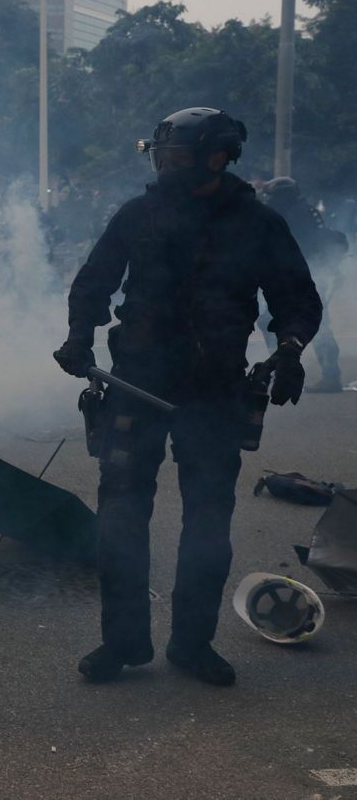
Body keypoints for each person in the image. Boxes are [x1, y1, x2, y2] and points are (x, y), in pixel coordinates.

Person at [53, 108, 322, 686]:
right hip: (137, 384)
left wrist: (291, 349)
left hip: (215, 391)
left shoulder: (258, 224)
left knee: (208, 523)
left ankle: (192, 644)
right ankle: (122, 644)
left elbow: (298, 298)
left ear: (217, 157)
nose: (165, 166)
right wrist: (78, 338)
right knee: (121, 518)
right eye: (162, 156)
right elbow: (94, 282)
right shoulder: (138, 214)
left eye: (176, 157)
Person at [258, 177, 348, 392]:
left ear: (282, 195)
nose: (268, 199)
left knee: (316, 325)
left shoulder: (294, 215)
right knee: (308, 323)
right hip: (303, 275)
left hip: (304, 276)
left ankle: (326, 376)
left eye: (272, 195)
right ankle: (288, 370)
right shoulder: (302, 211)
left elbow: (296, 247)